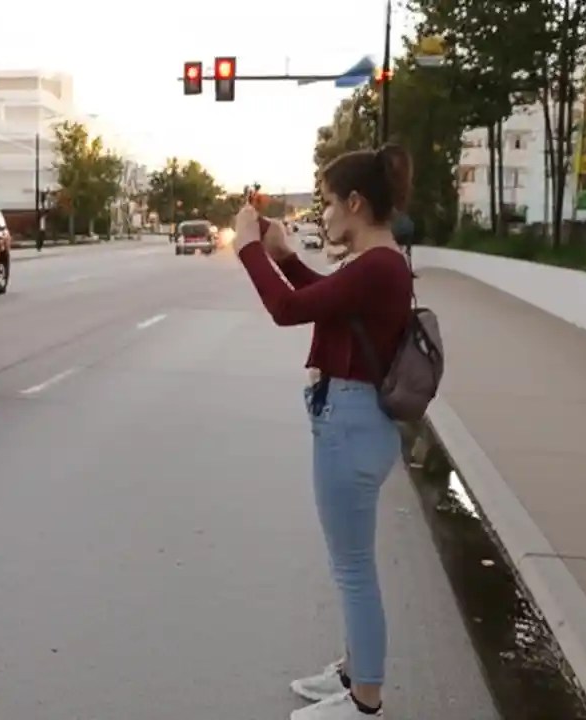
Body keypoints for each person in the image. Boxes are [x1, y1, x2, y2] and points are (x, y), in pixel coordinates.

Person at [231, 144, 415, 720]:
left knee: (353, 568)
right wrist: (282, 256)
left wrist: (247, 250)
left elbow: (288, 311)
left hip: (352, 423)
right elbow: (323, 304)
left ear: (356, 203)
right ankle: (353, 673)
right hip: (353, 419)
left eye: (330, 203)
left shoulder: (379, 265)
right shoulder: (376, 266)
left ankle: (366, 702)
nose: (325, 214)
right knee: (352, 563)